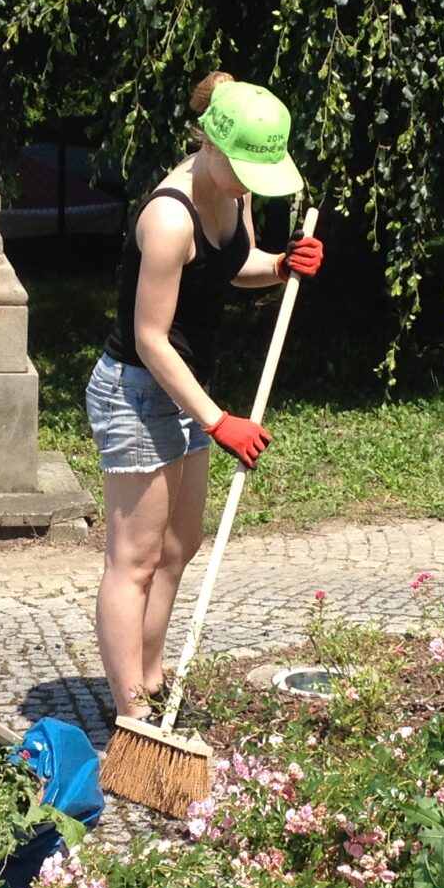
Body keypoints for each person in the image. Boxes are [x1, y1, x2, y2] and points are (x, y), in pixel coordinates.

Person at [86, 73, 322, 725]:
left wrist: (279, 266)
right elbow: (151, 338)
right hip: (136, 393)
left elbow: (229, 265)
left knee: (180, 544)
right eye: (245, 167)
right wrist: (219, 422)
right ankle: (130, 709)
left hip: (187, 392)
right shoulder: (167, 217)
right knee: (133, 559)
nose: (251, 182)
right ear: (211, 145)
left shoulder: (233, 191)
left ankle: (153, 675)